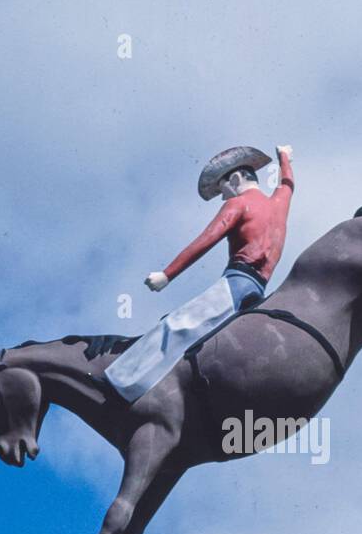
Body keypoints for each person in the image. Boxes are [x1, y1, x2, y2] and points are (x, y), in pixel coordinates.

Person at [105, 144, 294, 403]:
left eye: (223, 188)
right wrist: (284, 158)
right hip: (259, 289)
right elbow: (288, 184)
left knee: (176, 325)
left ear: (236, 178)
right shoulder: (279, 203)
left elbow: (204, 241)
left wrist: (167, 274)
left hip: (235, 284)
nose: (223, 196)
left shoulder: (239, 204)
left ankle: (119, 382)